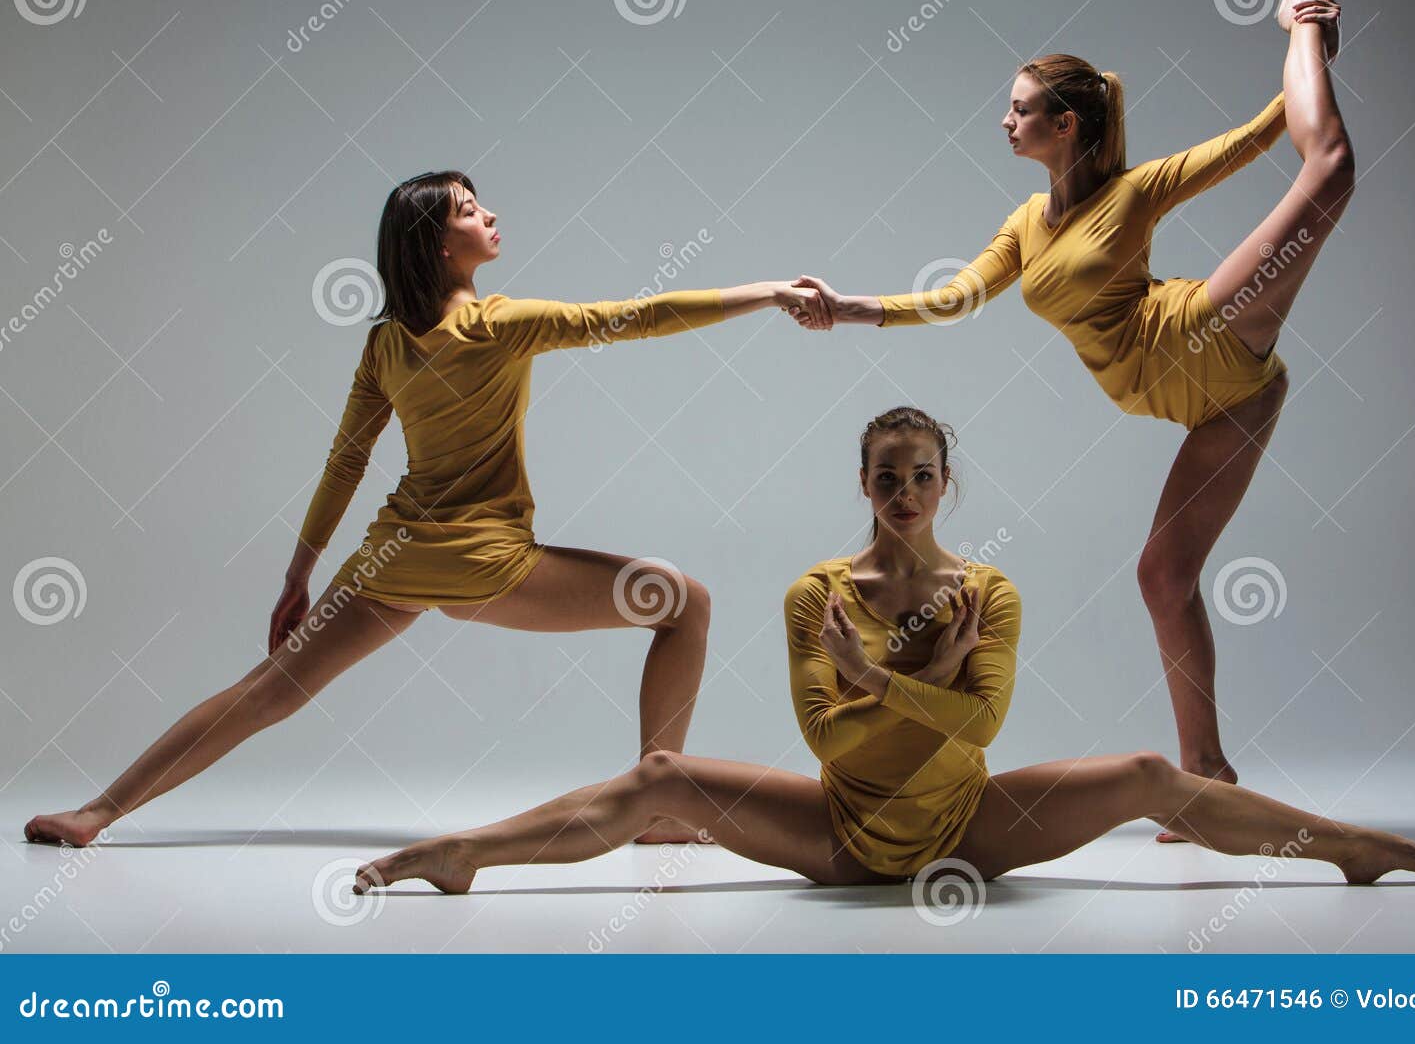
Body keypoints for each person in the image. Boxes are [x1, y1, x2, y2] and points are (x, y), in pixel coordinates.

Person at [23, 170, 827, 849]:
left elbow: (347, 460)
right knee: (686, 604)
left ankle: (98, 812)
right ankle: (658, 808)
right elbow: (641, 316)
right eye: (471, 210)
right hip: (488, 565)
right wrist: (770, 292)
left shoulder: (385, 342)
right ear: (443, 245)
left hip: (393, 562)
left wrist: (298, 575)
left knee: (268, 688)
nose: (490, 215)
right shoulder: (502, 325)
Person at [351, 407, 1415, 896]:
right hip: (837, 831)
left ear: (945, 484)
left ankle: (1353, 845)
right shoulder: (813, 593)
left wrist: (885, 676)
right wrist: (918, 677)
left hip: (966, 826)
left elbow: (981, 729)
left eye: (921, 472)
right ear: (863, 483)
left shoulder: (988, 588)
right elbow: (823, 735)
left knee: (1145, 776)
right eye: (885, 472)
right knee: (658, 779)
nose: (902, 489)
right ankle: (460, 852)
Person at [785, 0, 1350, 839]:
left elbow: (1260, 136)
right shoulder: (1024, 223)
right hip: (1202, 403)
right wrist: (845, 308)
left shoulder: (1134, 192)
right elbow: (955, 295)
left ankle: (1303, 16)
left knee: (1326, 176)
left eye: (1019, 110)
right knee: (1163, 577)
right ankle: (1206, 772)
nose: (1004, 122)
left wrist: (1306, 57)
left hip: (1200, 338)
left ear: (1067, 125)